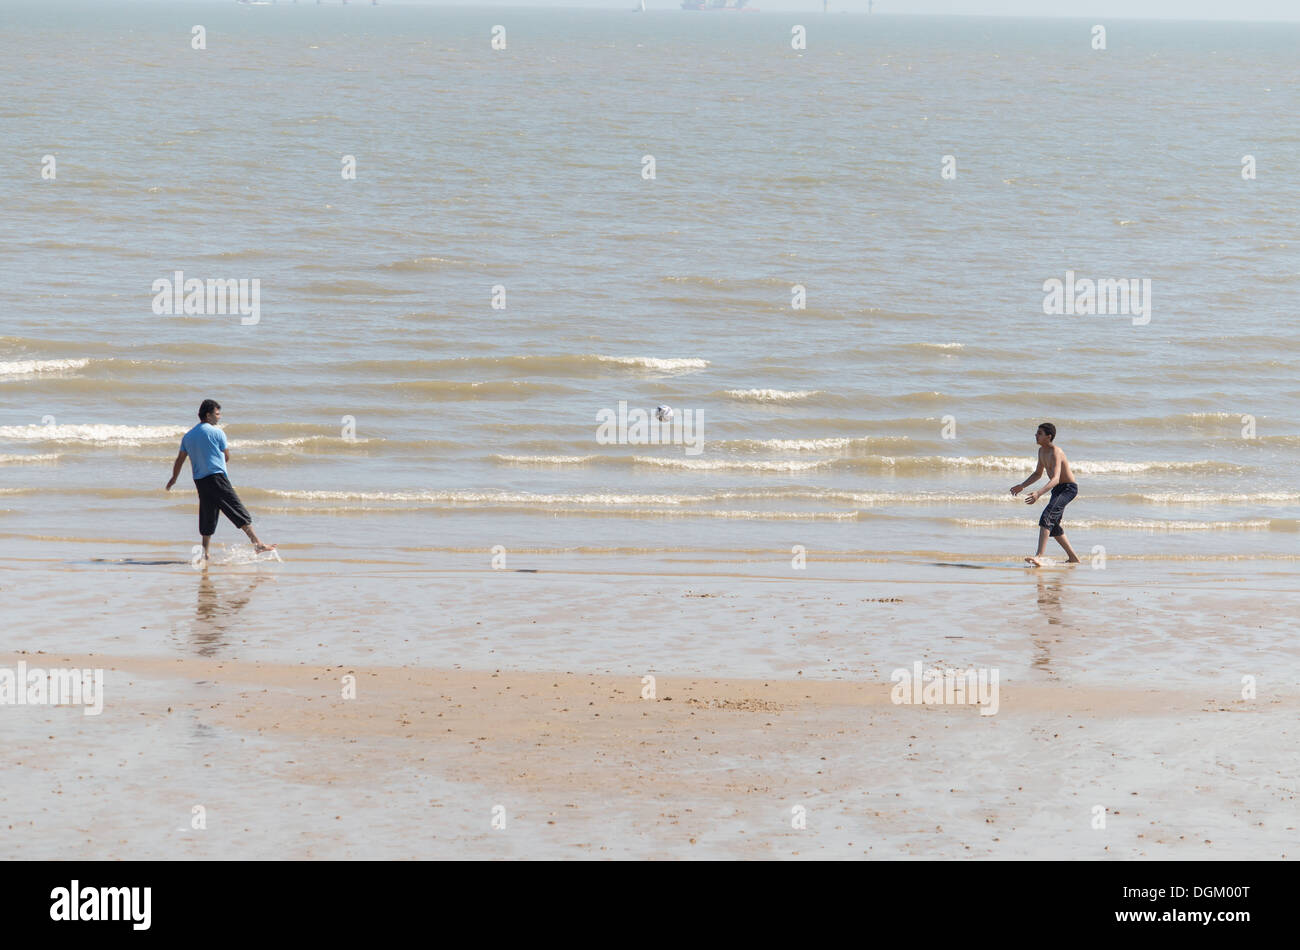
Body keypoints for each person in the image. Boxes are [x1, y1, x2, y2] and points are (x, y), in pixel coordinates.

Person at [165, 399, 275, 560]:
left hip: (200, 481)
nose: (220, 417)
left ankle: (206, 553)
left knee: (208, 512)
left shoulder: (188, 436)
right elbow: (227, 456)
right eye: (217, 414)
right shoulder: (217, 432)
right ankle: (257, 543)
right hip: (217, 477)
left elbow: (180, 459)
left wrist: (174, 478)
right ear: (208, 415)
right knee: (236, 508)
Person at [1009, 422, 1079, 567]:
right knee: (1053, 526)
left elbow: (1056, 478)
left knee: (1047, 517)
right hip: (1058, 489)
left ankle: (1039, 556)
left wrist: (1038, 494)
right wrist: (1022, 486)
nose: (1036, 435)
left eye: (1039, 433)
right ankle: (1073, 558)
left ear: (1049, 436)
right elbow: (1037, 474)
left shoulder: (1056, 452)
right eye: (1037, 432)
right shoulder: (1041, 451)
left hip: (1068, 488)